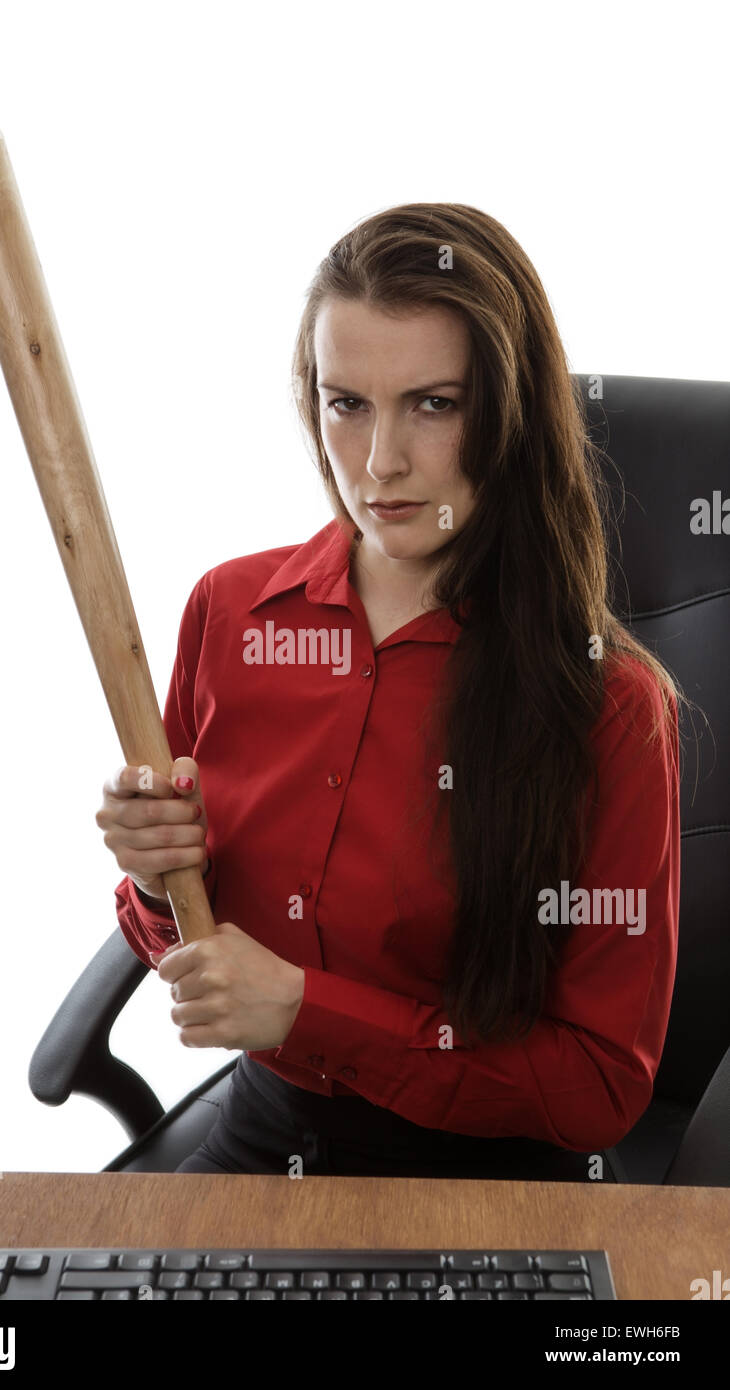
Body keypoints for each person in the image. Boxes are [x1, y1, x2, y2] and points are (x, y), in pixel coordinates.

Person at [96, 202, 684, 1181]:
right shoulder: (231, 611)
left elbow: (595, 1088)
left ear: (507, 410)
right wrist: (161, 883)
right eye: (345, 403)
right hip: (262, 1132)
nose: (379, 465)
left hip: (489, 1180)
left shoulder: (612, 706)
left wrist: (304, 1011)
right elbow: (181, 940)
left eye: (432, 403)